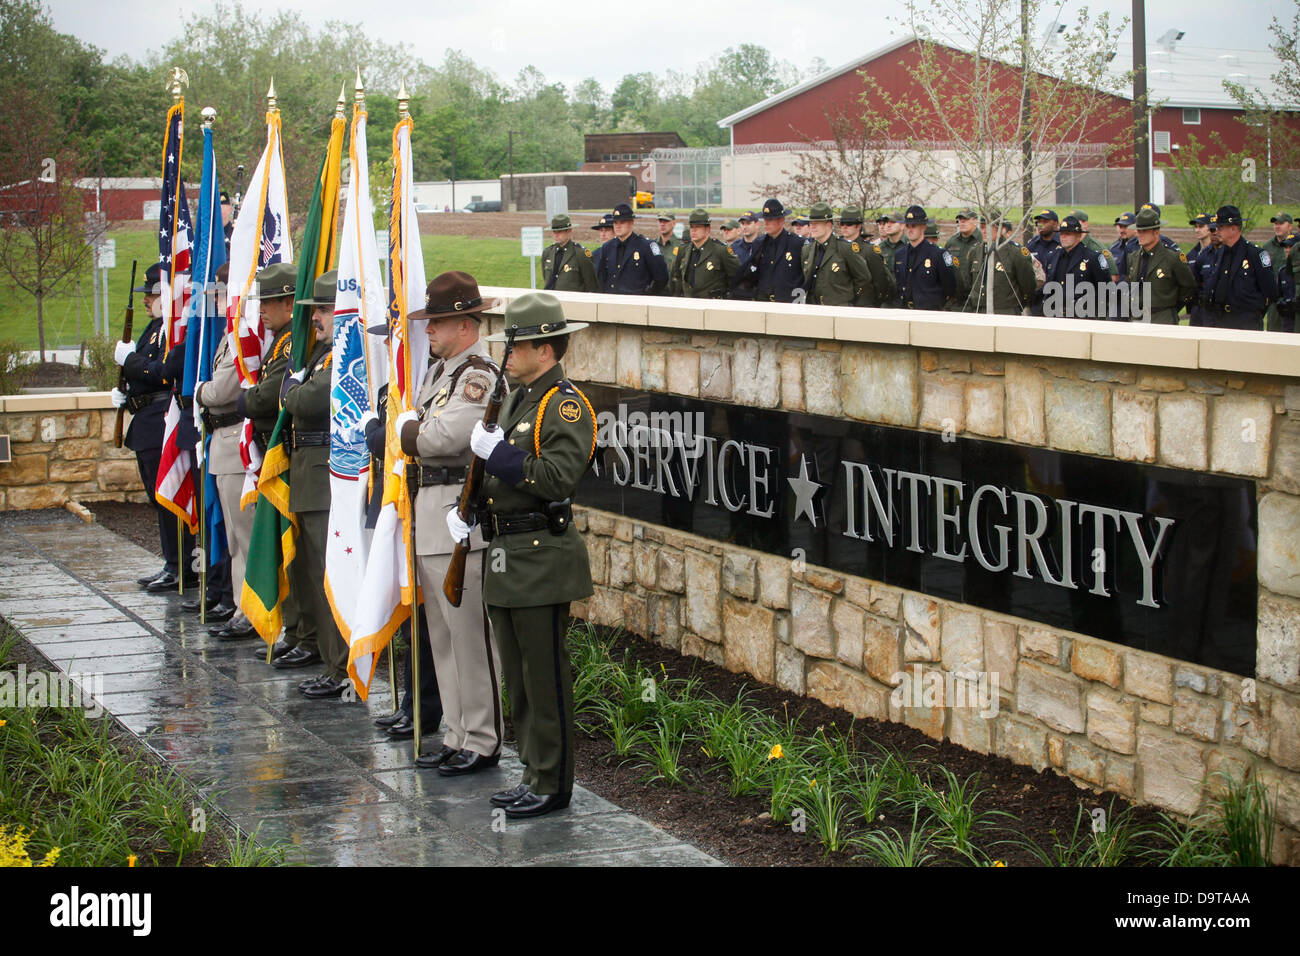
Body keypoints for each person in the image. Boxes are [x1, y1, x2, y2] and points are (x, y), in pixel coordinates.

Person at [458, 291, 595, 818]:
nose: (506, 356)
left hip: (541, 556)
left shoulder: (564, 403)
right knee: (517, 677)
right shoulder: (518, 397)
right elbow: (491, 474)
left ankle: (553, 784)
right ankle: (532, 772)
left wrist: (506, 457)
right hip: (506, 554)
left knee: (544, 677)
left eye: (515, 346)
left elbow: (557, 477)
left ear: (545, 349)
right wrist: (465, 506)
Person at [395, 272, 504, 772]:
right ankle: (457, 732)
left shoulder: (476, 375)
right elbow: (426, 430)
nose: (429, 331)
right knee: (441, 635)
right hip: (429, 512)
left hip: (458, 516)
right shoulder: (442, 373)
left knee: (468, 637)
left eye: (436, 322)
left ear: (465, 324)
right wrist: (411, 429)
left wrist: (403, 430)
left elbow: (441, 438)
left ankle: (483, 738)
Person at [280, 269, 351, 698]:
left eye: (323, 309)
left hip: (327, 475)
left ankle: (339, 667)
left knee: (329, 576)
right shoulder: (321, 355)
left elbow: (302, 400)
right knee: (310, 572)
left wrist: (292, 386)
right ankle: (325, 658)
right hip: (309, 471)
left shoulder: (340, 356)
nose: (317, 318)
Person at [237, 261, 311, 666]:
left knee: (296, 552)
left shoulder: (289, 345)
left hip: (286, 456)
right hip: (273, 453)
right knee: (291, 554)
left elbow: (268, 398)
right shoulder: (280, 341)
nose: (262, 311)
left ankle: (304, 634)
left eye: (269, 303)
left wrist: (242, 400)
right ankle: (297, 630)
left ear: (288, 302)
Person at [112, 261, 188, 593]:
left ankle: (180, 566)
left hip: (160, 422)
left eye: (151, 293)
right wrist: (126, 398)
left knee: (168, 499)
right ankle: (171, 562)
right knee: (159, 499)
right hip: (145, 422)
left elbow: (161, 373)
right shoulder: (153, 327)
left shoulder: (171, 328)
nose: (145, 300)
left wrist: (130, 362)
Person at [196, 261, 257, 639]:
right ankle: (240, 607)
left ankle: (250, 612)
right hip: (222, 444)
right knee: (234, 538)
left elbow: (220, 392)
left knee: (245, 537)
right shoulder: (227, 336)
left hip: (237, 444)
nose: (216, 302)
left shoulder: (241, 338)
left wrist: (200, 390)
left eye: (220, 295)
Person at [1201, 204, 1276, 331]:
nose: (1216, 232)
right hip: (1220, 322)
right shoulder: (1219, 253)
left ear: (1234, 229)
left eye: (1220, 227)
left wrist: (1253, 312)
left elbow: (1270, 292)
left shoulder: (1255, 254)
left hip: (1246, 322)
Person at [1125, 207, 1196, 324]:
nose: (1140, 235)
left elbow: (1188, 287)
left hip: (1162, 318)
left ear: (1156, 232)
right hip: (1137, 318)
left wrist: (1170, 308)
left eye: (1145, 231)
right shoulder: (1134, 257)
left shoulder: (1172, 258)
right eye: (1139, 231)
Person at [961, 210, 1038, 315]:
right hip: (979, 310)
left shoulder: (1015, 253)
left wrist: (1016, 305)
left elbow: (1028, 285)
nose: (983, 231)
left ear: (999, 229)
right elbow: (968, 282)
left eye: (987, 228)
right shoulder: (975, 252)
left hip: (1005, 311)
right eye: (982, 227)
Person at [800, 201, 874, 306]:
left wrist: (851, 303)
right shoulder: (807, 250)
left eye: (817, 223)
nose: (812, 227)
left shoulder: (845, 249)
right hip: (814, 310)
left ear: (828, 224)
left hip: (839, 310)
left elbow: (863, 279)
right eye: (811, 223)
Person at [1040, 215, 1110, 319]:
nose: (1063, 237)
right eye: (1061, 233)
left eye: (1068, 234)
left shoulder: (1092, 258)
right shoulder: (1053, 256)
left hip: (1083, 317)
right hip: (1056, 316)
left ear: (1078, 236)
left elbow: (1106, 290)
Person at [737, 197, 806, 303]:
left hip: (788, 304)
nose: (766, 223)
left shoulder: (797, 243)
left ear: (781, 220)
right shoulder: (759, 243)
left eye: (770, 220)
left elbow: (803, 275)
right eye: (765, 219)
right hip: (764, 303)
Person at [597, 203, 668, 295]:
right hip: (612, 301)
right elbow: (601, 277)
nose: (618, 226)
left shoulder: (646, 246)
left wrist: (647, 295)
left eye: (622, 222)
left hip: (637, 302)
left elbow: (661, 278)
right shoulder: (607, 247)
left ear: (631, 223)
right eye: (615, 222)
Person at [894, 205, 955, 310]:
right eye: (907, 226)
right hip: (904, 311)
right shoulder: (900, 254)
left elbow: (950, 287)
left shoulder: (937, 254)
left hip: (929, 312)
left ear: (923, 227)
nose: (910, 230)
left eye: (914, 226)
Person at [672, 208, 740, 298]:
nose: (693, 230)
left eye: (698, 227)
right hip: (688, 304)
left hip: (712, 305)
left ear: (707, 229)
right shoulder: (683, 250)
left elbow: (736, 275)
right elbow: (677, 277)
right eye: (692, 227)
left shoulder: (720, 250)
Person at [837, 205, 895, 306]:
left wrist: (870, 303)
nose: (844, 227)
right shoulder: (836, 249)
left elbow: (881, 284)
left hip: (863, 306)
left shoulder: (869, 251)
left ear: (858, 226)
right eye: (842, 224)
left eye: (849, 224)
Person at [541, 214, 598, 293]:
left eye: (560, 231)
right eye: (554, 231)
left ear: (569, 231)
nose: (556, 235)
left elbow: (591, 284)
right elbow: (546, 278)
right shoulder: (548, 253)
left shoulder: (580, 254)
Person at [1262, 213, 1293, 330]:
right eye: (1275, 224)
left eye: (1281, 223)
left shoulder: (1296, 244)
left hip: (1292, 297)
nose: (1277, 227)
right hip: (1274, 300)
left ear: (1290, 226)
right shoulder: (1267, 247)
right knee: (1274, 332)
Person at [1185, 213, 1216, 327]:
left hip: (1211, 309)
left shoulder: (1217, 252)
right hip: (1196, 309)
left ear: (1210, 228)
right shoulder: (1191, 255)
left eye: (1201, 226)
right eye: (1196, 227)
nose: (1197, 230)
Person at [1026, 208, 1061, 274]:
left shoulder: (1063, 243)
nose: (1041, 225)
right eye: (1039, 222)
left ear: (1055, 224)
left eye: (1045, 221)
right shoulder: (1032, 244)